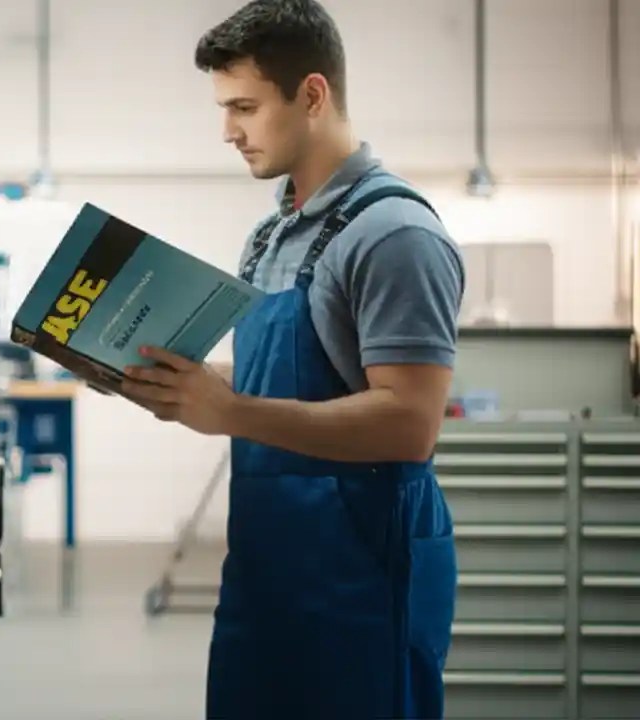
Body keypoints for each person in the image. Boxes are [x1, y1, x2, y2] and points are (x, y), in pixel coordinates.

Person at [120, 1, 464, 718]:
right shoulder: (270, 237)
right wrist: (165, 379)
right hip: (268, 575)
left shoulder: (394, 234)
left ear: (312, 95)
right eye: (223, 108)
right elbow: (278, 381)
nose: (228, 131)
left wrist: (232, 413)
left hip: (361, 583)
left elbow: (409, 422)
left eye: (244, 106)